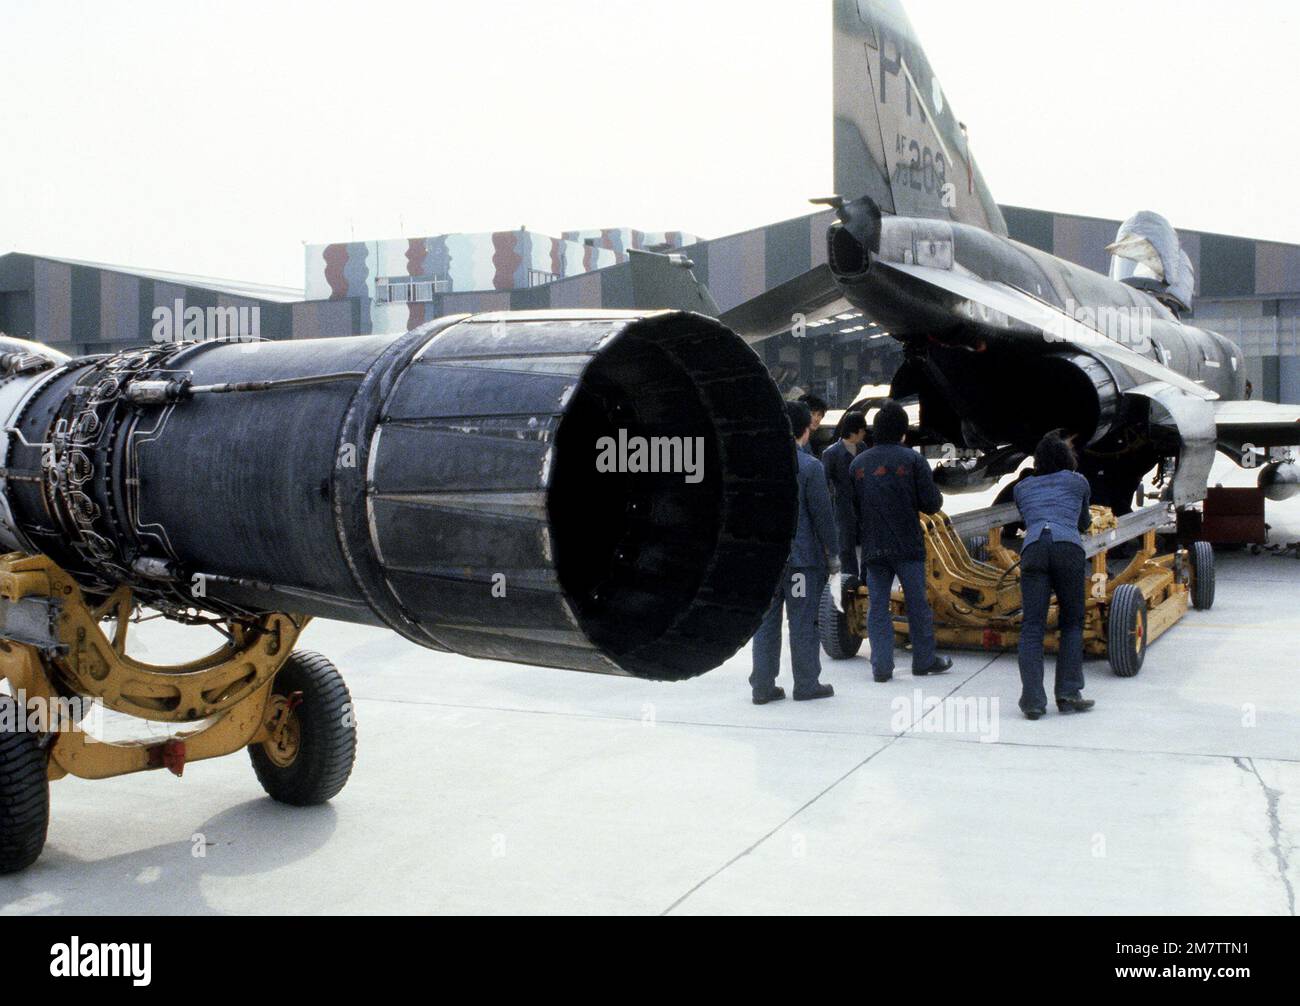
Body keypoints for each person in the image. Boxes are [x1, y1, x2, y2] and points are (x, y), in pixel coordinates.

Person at [850, 400, 952, 682]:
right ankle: (924, 661)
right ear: (903, 432)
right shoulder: (913, 461)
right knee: (918, 604)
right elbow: (932, 504)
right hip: (908, 545)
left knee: (878, 607)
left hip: (873, 546)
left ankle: (881, 667)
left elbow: (851, 509)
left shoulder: (858, 464)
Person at [750, 401, 838, 704]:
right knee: (802, 622)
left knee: (765, 622)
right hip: (801, 564)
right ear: (805, 429)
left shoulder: (759, 465)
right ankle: (806, 683)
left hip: (766, 564)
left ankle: (762, 685)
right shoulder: (811, 468)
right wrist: (835, 555)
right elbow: (823, 517)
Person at [1013, 431, 1095, 720]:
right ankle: (1069, 692)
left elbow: (1028, 519)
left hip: (1034, 549)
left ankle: (1033, 701)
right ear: (1066, 458)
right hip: (1067, 549)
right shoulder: (1078, 481)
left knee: (1032, 626)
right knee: (1071, 622)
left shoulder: (1022, 488)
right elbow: (1083, 521)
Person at [822, 412, 868, 578]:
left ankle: (865, 578)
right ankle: (850, 580)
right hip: (843, 505)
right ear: (854, 432)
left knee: (867, 543)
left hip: (863, 504)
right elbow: (824, 483)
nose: (864, 434)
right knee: (846, 546)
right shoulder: (831, 453)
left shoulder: (863, 448)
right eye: (862, 431)